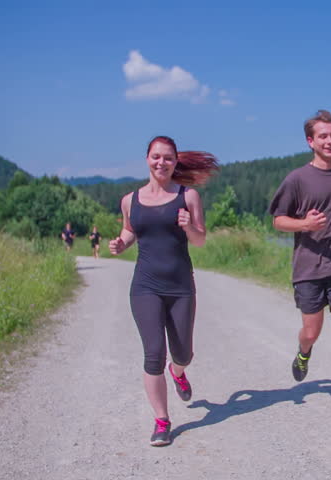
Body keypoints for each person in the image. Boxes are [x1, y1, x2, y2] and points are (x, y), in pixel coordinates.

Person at [109, 136, 219, 446]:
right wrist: (121, 243)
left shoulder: (188, 196)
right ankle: (162, 420)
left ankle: (178, 371)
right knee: (153, 353)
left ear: (175, 161)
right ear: (147, 159)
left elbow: (200, 240)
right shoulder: (130, 200)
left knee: (183, 353)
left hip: (181, 286)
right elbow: (129, 230)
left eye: (168, 158)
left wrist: (188, 226)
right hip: (145, 286)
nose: (162, 162)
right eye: (156, 157)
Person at [269, 110, 331, 429]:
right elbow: (278, 220)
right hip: (308, 267)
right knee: (312, 331)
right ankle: (304, 351)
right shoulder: (296, 179)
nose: (329, 141)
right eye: (323, 136)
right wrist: (305, 224)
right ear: (311, 141)